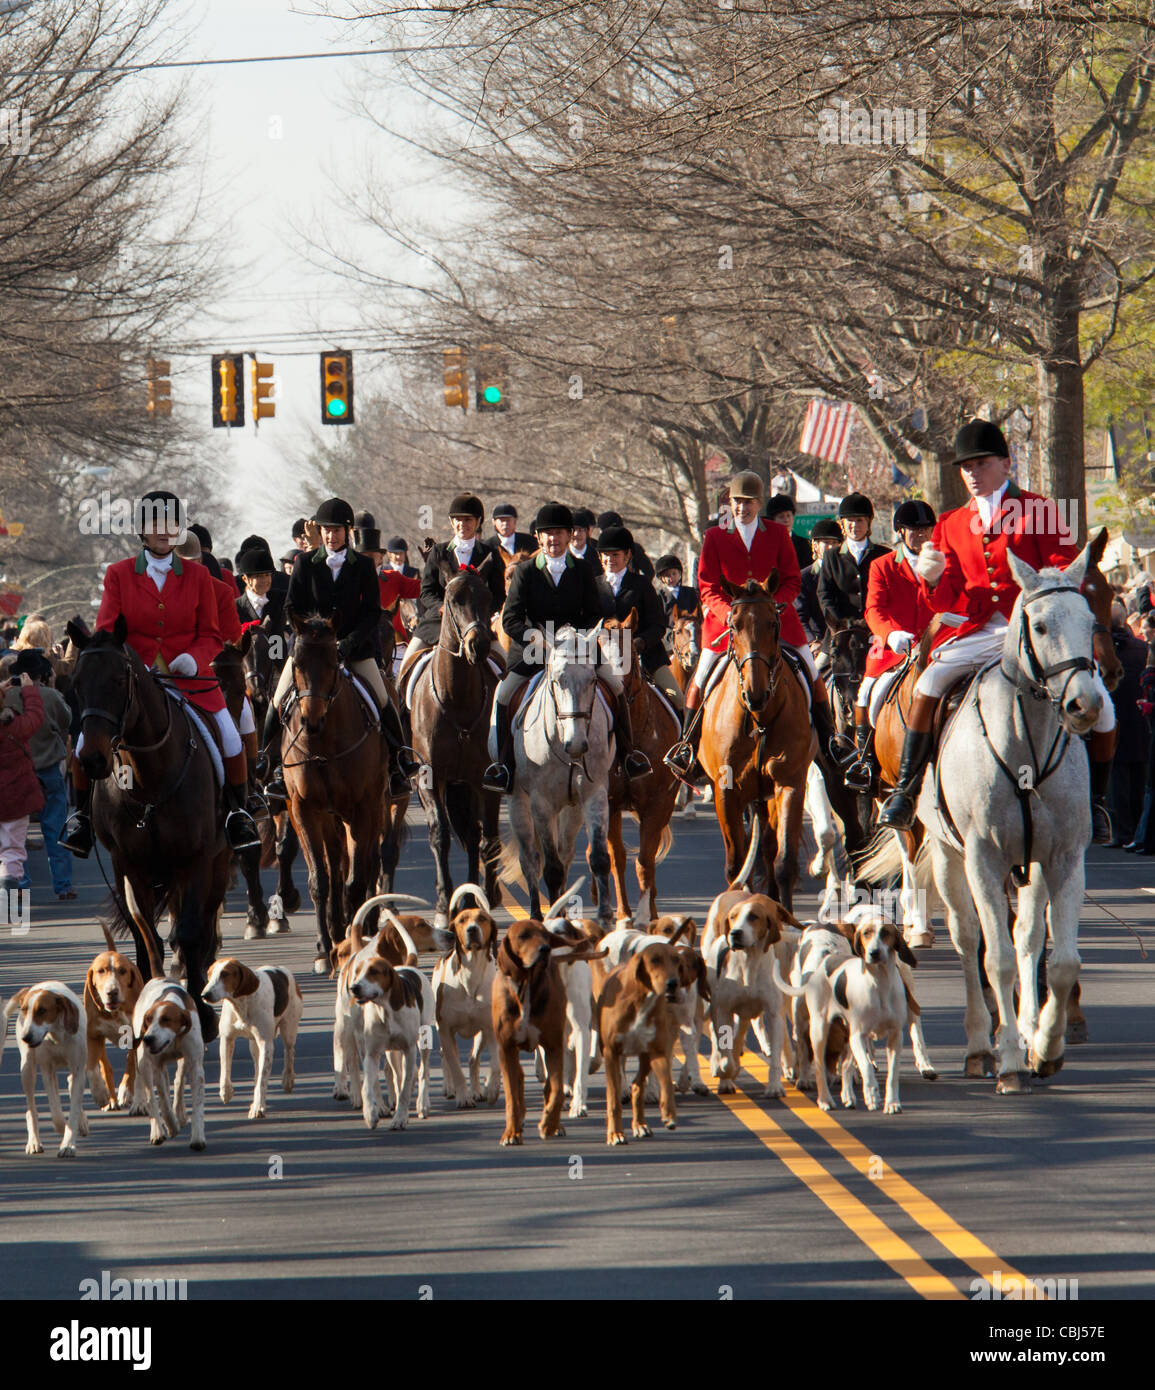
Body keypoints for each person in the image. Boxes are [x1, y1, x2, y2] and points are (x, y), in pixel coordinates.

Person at [877, 420, 1118, 840]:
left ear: (1006, 464)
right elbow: (945, 601)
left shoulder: (1040, 510)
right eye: (965, 467)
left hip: (1033, 629)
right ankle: (905, 788)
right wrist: (931, 582)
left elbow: (1064, 568)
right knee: (929, 683)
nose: (972, 473)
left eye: (982, 464)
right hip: (978, 631)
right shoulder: (950, 523)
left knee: (1104, 709)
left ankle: (1096, 803)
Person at [60, 490, 261, 855]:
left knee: (231, 738)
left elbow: (213, 635)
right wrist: (132, 662)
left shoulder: (199, 576)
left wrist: (194, 658)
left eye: (170, 523)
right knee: (83, 743)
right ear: (142, 530)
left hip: (190, 679)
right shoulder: (118, 574)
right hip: (133, 681)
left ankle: (237, 813)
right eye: (156, 524)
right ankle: (81, 819)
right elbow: (106, 631)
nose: (164, 531)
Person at [665, 471, 842, 778]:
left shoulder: (777, 534)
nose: (742, 508)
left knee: (812, 673)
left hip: (776, 621)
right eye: (737, 502)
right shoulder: (715, 536)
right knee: (699, 679)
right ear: (729, 502)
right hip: (727, 626)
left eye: (748, 502)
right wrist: (728, 614)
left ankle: (831, 743)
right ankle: (688, 748)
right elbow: (707, 585)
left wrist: (774, 605)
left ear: (759, 503)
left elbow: (791, 579)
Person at [483, 502, 652, 793]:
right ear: (538, 538)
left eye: (559, 533)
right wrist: (535, 636)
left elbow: (594, 613)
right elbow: (510, 618)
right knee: (504, 693)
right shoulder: (524, 572)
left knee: (616, 685)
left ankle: (628, 755)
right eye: (547, 534)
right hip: (534, 650)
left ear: (568, 535)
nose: (554, 539)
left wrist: (577, 635)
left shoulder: (584, 570)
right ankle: (504, 766)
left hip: (577, 650)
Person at [262, 497, 416, 800]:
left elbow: (372, 612)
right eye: (326, 530)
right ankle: (271, 765)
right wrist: (313, 634)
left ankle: (399, 763)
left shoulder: (361, 566)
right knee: (278, 700)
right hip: (310, 651)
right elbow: (292, 606)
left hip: (353, 650)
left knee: (383, 699)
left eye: (337, 530)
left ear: (348, 532)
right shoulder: (305, 562)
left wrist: (348, 643)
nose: (331, 536)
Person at [842, 500, 936, 792]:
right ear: (900, 531)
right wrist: (892, 633)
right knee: (868, 693)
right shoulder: (882, 566)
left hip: (936, 647)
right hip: (894, 650)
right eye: (914, 530)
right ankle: (866, 763)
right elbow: (873, 609)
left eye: (925, 530)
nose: (921, 536)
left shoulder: (943, 562)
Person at [404, 493, 506, 666]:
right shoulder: (439, 551)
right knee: (406, 664)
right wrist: (442, 607)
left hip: (476, 625)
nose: (462, 524)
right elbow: (426, 592)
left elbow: (498, 594)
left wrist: (481, 613)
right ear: (452, 522)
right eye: (458, 520)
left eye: (468, 520)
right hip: (437, 623)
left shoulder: (490, 553)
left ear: (478, 522)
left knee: (505, 665)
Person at [6, 649, 74, 897]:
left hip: (19, 771)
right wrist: (54, 688)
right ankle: (63, 885)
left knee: (17, 833)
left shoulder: (8, 697)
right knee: (56, 829)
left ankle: (21, 884)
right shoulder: (50, 696)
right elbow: (66, 721)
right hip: (49, 768)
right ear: (44, 674)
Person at [596, 526, 683, 712]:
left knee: (678, 699)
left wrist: (639, 643)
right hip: (604, 660)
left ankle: (684, 741)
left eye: (615, 555)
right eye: (606, 555)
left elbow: (658, 625)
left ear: (627, 555)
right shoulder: (593, 586)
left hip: (646, 657)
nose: (610, 560)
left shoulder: (642, 585)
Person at [1106, 599, 1150, 846]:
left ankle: (1123, 832)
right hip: (1140, 721)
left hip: (1115, 722)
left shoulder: (1102, 651)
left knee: (1118, 782)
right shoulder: (1141, 648)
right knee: (1139, 779)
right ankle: (1138, 831)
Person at [817, 492, 891, 634]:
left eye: (859, 520)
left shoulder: (884, 555)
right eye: (850, 520)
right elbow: (824, 594)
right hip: (840, 631)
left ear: (868, 522)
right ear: (842, 523)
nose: (854, 525)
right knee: (818, 658)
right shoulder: (831, 556)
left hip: (877, 631)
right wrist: (840, 624)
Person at [0, 666, 44, 891]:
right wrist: (29, 691)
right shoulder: (12, 726)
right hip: (15, 796)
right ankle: (8, 891)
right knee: (12, 850)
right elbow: (35, 717)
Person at [799, 519, 843, 651]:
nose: (830, 547)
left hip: (846, 638)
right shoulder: (804, 577)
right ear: (815, 545)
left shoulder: (847, 573)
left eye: (835, 543)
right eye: (826, 543)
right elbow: (800, 617)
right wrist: (812, 641)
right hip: (819, 643)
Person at [236, 546, 288, 638]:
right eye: (259, 576)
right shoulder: (235, 607)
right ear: (245, 579)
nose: (264, 580)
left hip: (277, 652)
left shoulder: (282, 599)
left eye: (267, 575)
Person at [596, 510, 655, 581]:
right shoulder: (597, 549)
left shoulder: (633, 548)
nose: (600, 533)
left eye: (601, 530)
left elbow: (649, 572)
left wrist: (639, 587)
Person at [763, 494, 815, 575]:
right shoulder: (764, 544)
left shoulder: (803, 544)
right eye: (781, 517)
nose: (786, 520)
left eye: (788, 515)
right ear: (772, 520)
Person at [655, 554, 703, 624]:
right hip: (671, 631)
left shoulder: (691, 592)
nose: (671, 578)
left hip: (690, 628)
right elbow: (660, 621)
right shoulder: (660, 597)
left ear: (680, 574)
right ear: (661, 578)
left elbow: (698, 614)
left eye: (674, 574)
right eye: (667, 575)